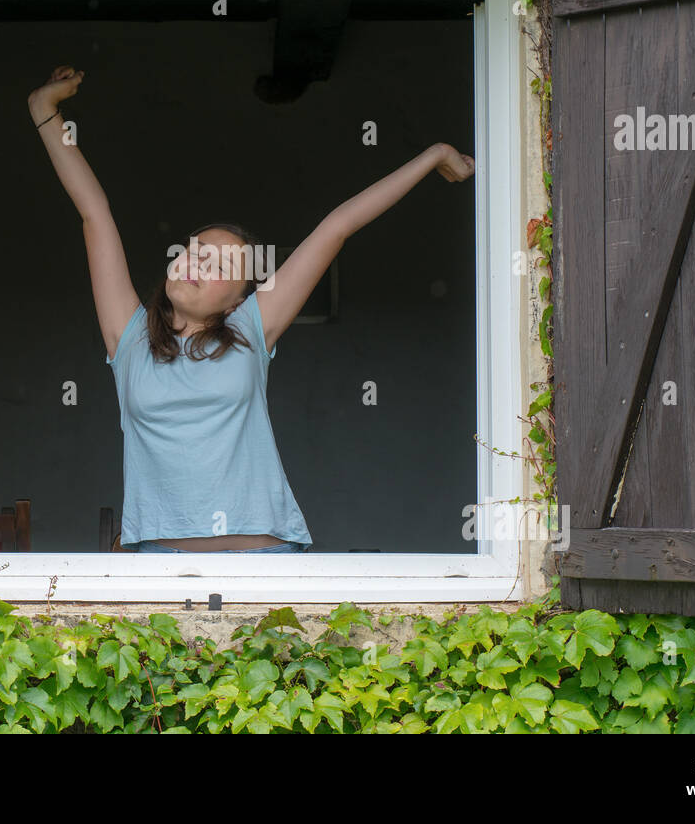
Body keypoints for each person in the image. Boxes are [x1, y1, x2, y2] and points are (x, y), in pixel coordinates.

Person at [28, 65, 475, 553]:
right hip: (157, 566)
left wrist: (431, 156)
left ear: (238, 299)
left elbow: (336, 226)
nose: (197, 261)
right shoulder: (128, 337)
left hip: (265, 559)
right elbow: (94, 211)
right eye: (194, 250)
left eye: (218, 263)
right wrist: (44, 111)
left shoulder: (250, 330)